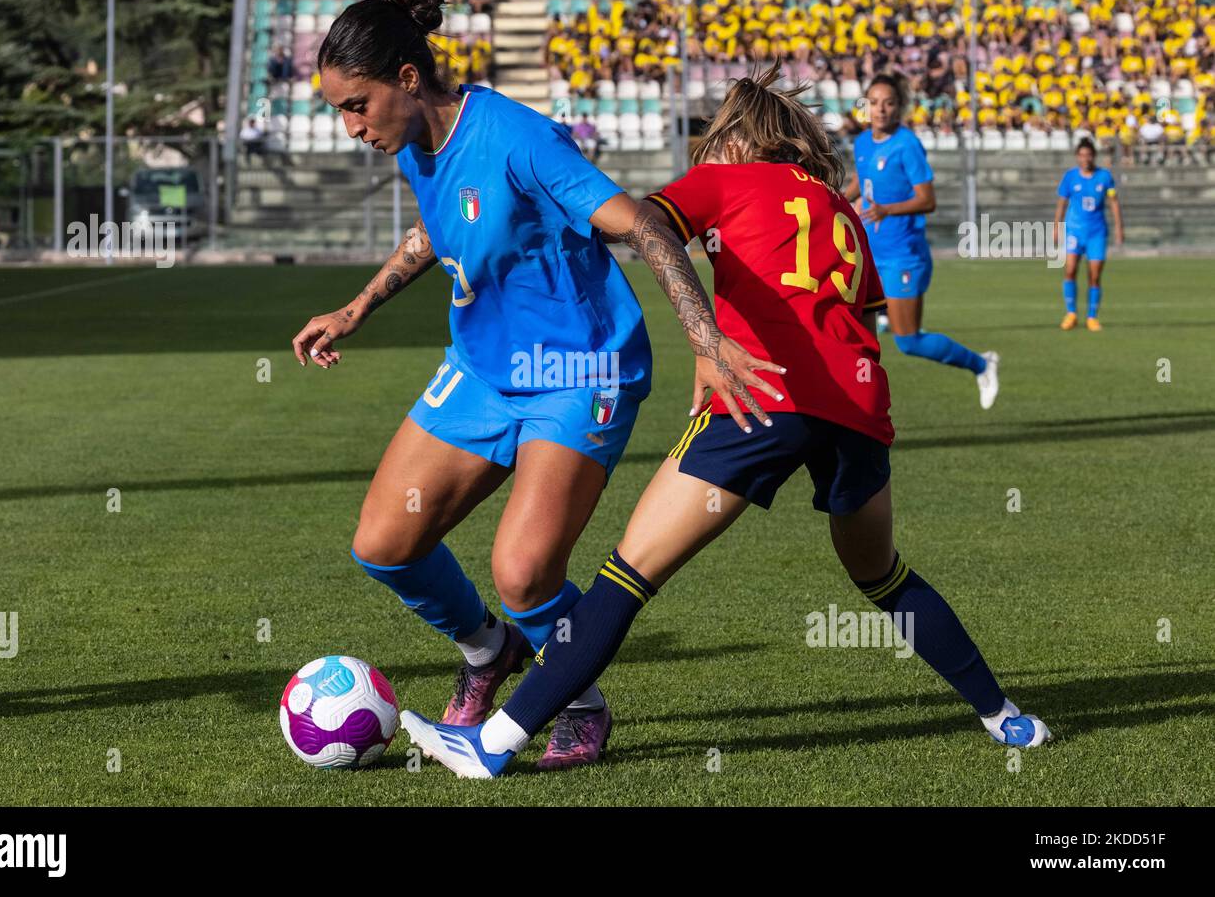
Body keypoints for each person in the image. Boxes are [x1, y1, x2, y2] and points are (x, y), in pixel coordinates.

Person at [399, 61, 1053, 778]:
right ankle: (1002, 714)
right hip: (860, 408)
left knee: (627, 575)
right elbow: (862, 313)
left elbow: (643, 224)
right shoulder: (840, 210)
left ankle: (490, 744)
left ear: (739, 143)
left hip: (762, 392)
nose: (706, 153)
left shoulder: (728, 179)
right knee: (884, 575)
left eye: (715, 139)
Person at [290, 0, 780, 769]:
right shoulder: (417, 144)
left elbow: (644, 222)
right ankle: (488, 651)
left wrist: (705, 335)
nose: (350, 125)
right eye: (339, 109)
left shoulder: (521, 139)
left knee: (523, 574)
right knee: (384, 543)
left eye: (356, 104)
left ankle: (578, 699)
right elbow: (438, 228)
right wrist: (356, 308)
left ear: (407, 80)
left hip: (581, 370)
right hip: (482, 369)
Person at [846, 73, 999, 409]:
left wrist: (889, 209)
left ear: (899, 107)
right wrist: (838, 201)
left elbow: (927, 199)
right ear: (866, 106)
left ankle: (982, 364)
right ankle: (857, 407)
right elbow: (863, 178)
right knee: (854, 333)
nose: (881, 109)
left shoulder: (907, 144)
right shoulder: (862, 143)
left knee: (908, 341)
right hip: (871, 251)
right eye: (874, 103)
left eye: (888, 103)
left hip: (904, 254)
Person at [1054, 137, 1123, 331]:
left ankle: (1092, 316)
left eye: (1089, 155)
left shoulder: (1104, 177)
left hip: (1097, 232)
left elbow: (1114, 202)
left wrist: (1119, 227)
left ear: (1094, 156)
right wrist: (1056, 226)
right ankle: (1071, 314)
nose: (1085, 158)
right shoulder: (1070, 177)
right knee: (1070, 270)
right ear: (1077, 157)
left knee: (1094, 275)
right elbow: (1062, 203)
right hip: (1074, 230)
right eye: (1082, 155)